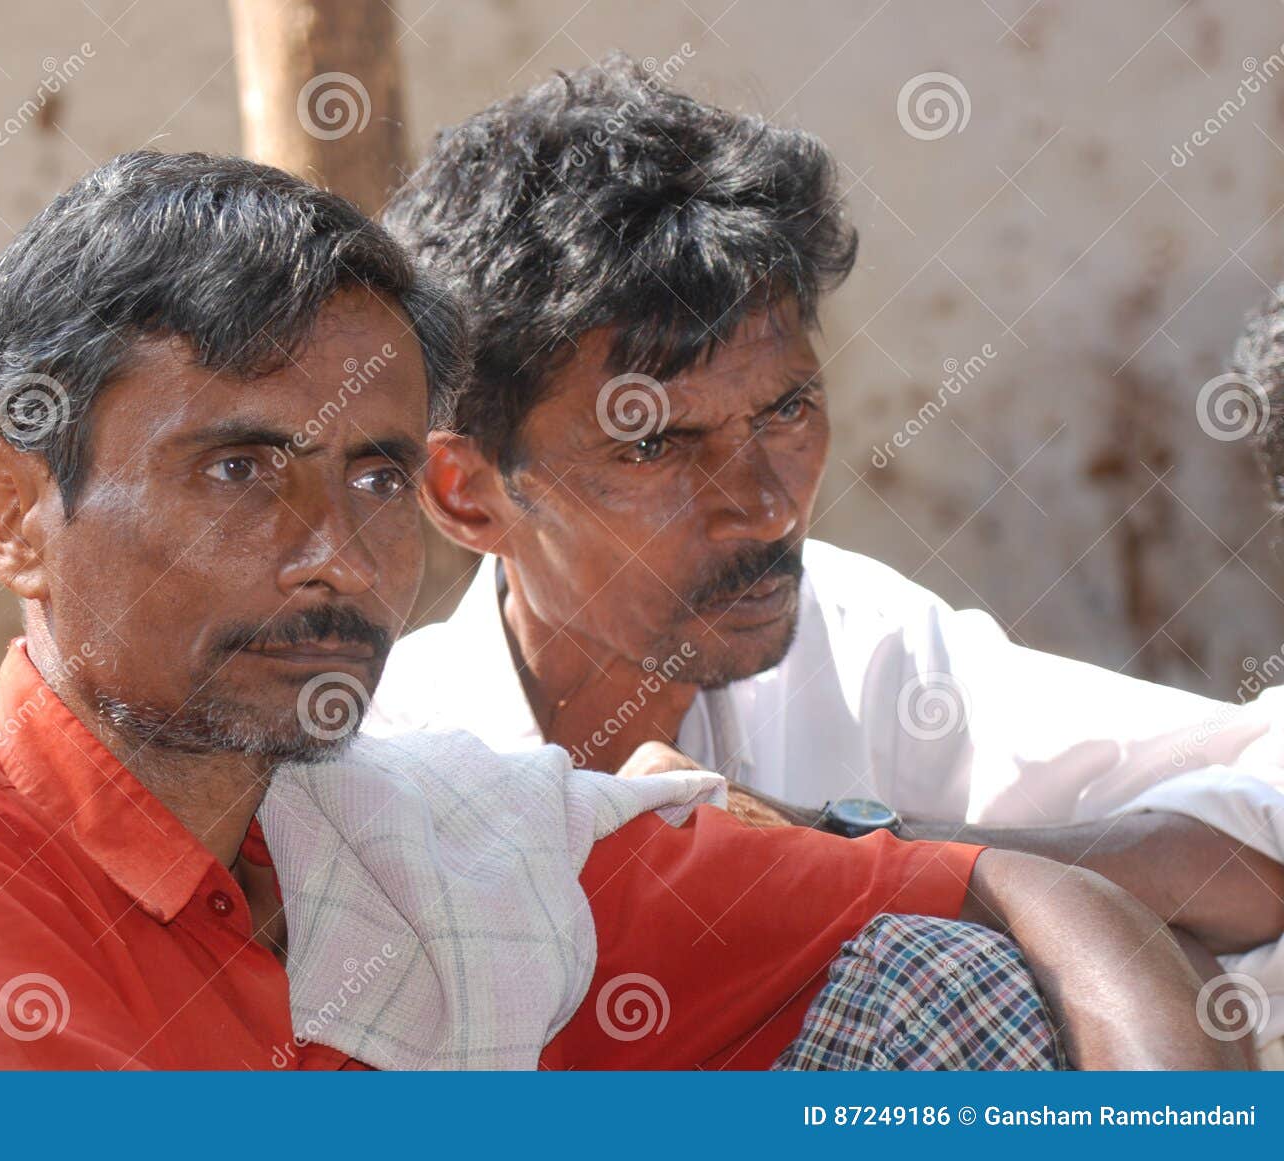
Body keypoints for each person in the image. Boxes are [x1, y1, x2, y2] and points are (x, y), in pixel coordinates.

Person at [0, 151, 1239, 1070]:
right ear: (12, 511)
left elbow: (1024, 903)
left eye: (370, 480)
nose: (331, 556)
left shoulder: (429, 840)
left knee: (944, 996)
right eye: (242, 469)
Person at [364, 53, 1284, 1060]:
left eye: (787, 409)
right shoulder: (385, 787)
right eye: (655, 445)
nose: (763, 506)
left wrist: (833, 842)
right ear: (466, 492)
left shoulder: (858, 648)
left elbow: (1258, 834)